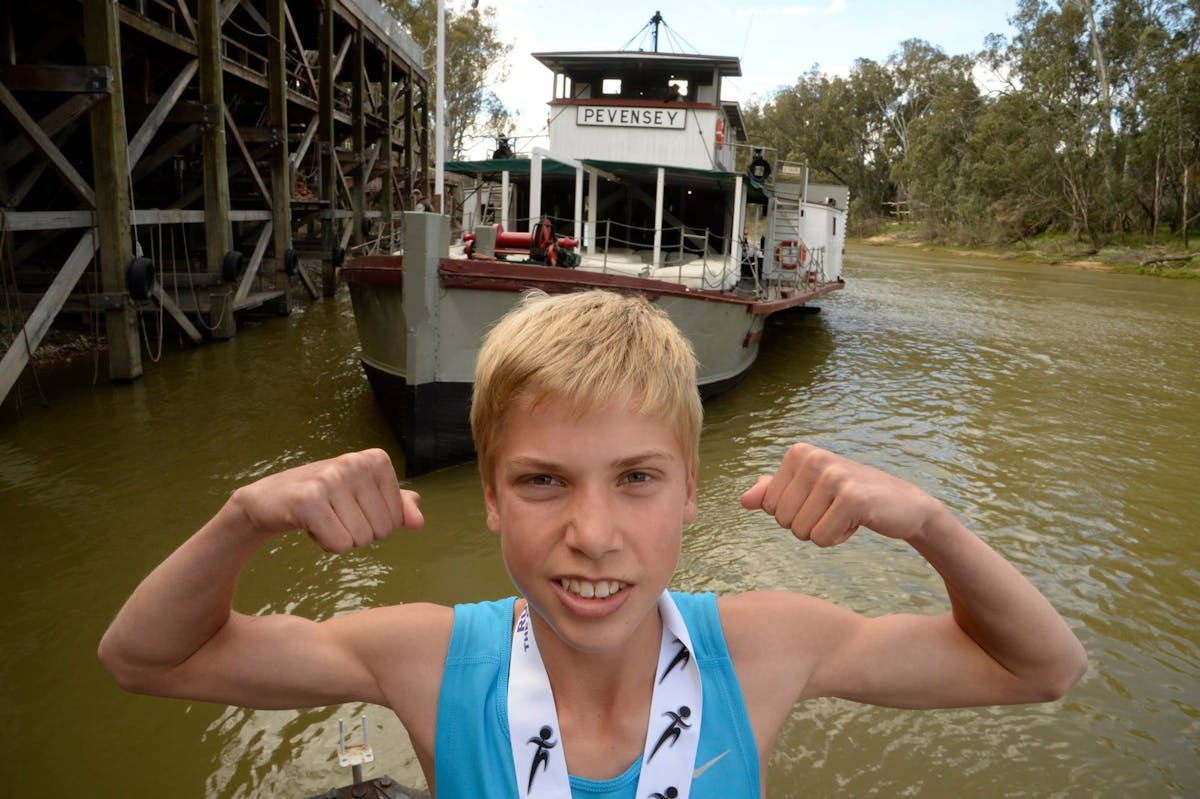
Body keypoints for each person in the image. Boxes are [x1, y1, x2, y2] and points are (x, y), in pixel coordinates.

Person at [98, 290, 1087, 797]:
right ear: (490, 497)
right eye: (542, 480)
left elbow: (1041, 668)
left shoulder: (764, 648)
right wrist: (242, 520)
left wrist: (931, 523)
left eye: (637, 478)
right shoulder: (432, 659)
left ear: (691, 492)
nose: (593, 535)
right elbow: (145, 659)